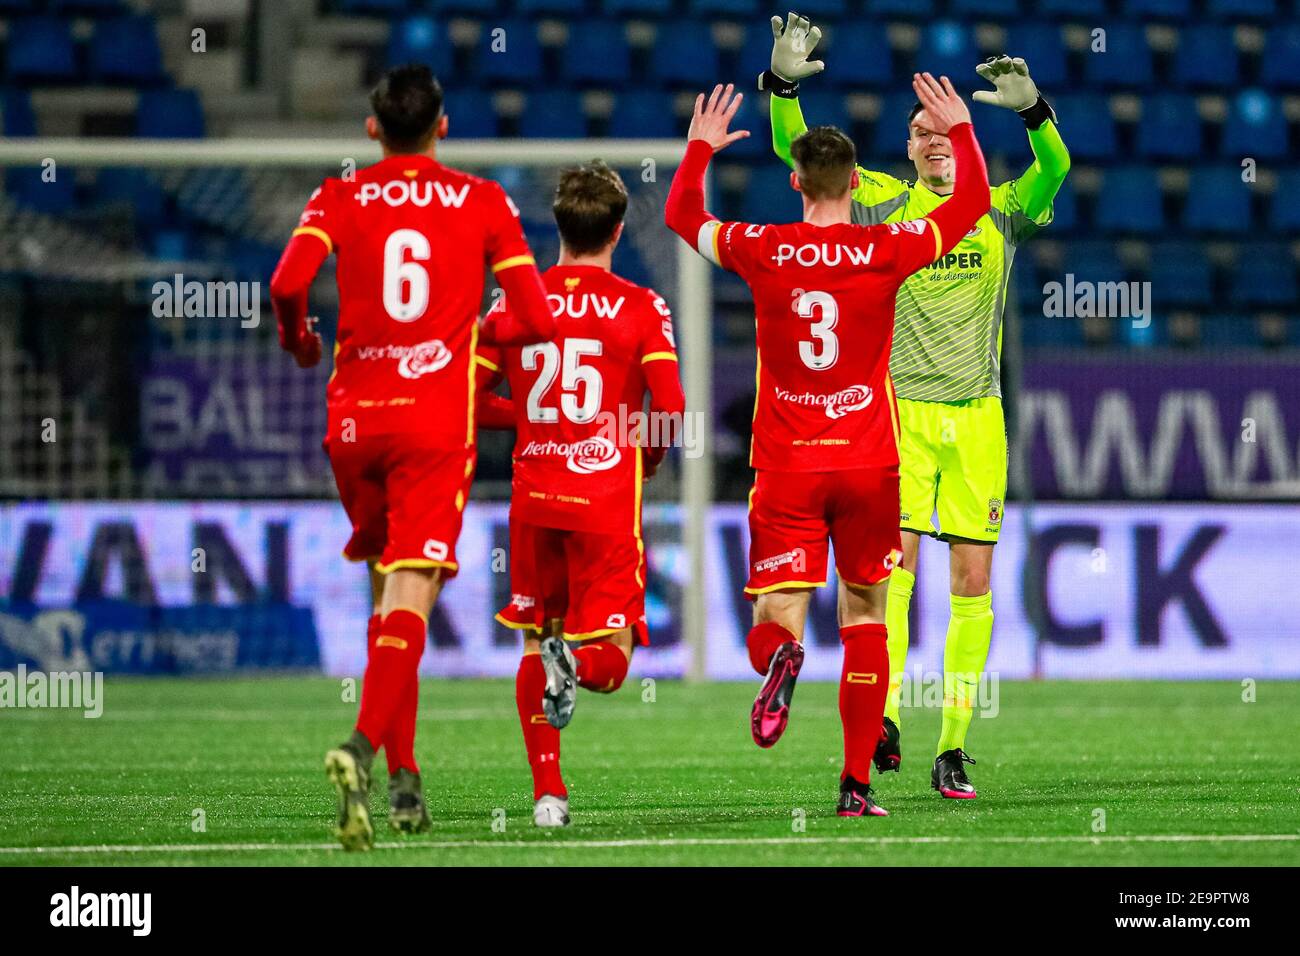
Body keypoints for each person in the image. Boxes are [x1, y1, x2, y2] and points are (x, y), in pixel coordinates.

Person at [763, 14, 1070, 798]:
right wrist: (783, 86)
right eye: (921, 131)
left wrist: (1033, 111)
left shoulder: (1000, 208)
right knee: (888, 576)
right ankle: (889, 717)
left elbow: (1058, 167)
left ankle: (954, 746)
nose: (934, 140)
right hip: (898, 418)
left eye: (945, 130)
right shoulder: (880, 205)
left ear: (962, 140)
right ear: (906, 149)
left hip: (976, 420)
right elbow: (792, 155)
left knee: (972, 582)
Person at [665, 76, 990, 816]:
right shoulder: (888, 245)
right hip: (870, 463)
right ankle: (854, 786)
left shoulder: (763, 247)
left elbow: (683, 213)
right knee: (868, 613)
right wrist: (962, 129)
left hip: (786, 463)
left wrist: (699, 149)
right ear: (854, 183)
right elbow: (969, 205)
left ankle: (781, 659)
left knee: (776, 615)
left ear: (794, 181)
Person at [269, 64, 556, 850]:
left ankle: (406, 782)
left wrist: (300, 343)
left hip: (354, 422)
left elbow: (286, 281)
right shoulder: (482, 200)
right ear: (444, 127)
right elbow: (532, 320)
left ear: (372, 131)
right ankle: (361, 749)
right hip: (432, 421)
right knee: (411, 593)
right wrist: (466, 334)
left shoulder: (340, 195)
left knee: (386, 595)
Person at [477, 160, 685, 828]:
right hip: (603, 499)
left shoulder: (513, 300)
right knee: (614, 657)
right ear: (619, 232)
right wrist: (642, 454)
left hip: (535, 499)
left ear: (557, 226)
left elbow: (470, 399)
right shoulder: (641, 306)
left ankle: (548, 796)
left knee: (537, 638)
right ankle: (574, 665)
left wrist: (536, 419)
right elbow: (672, 408)